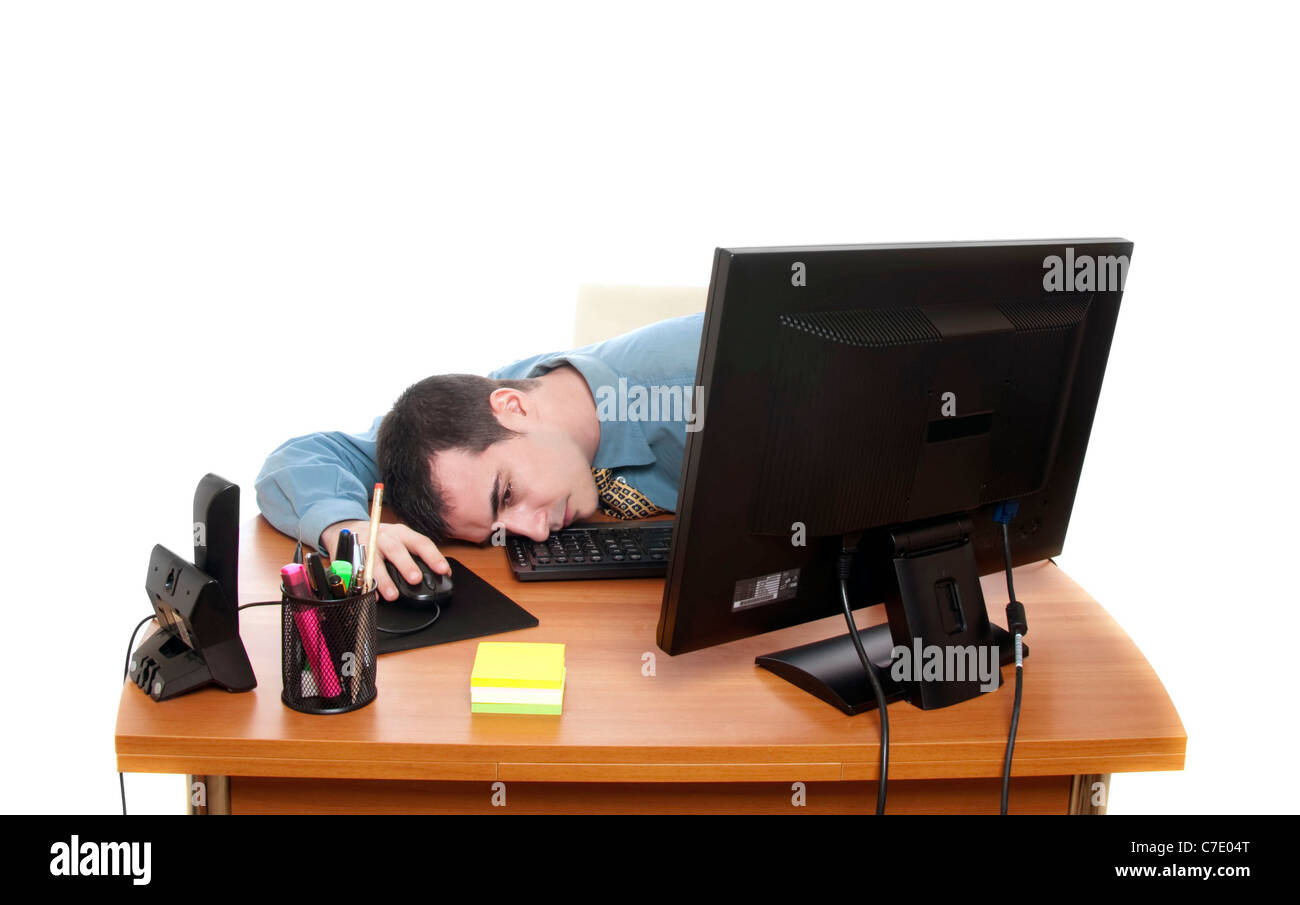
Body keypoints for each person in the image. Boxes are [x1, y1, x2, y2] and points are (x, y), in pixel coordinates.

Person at [256, 312, 704, 601]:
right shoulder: (467, 428)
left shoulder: (702, 384)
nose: (534, 530)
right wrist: (347, 528)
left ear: (515, 408)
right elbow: (300, 459)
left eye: (507, 494)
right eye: (499, 531)